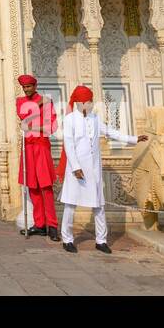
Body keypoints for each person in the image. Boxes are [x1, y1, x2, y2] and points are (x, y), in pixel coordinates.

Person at [57, 85, 146, 253]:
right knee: (70, 205)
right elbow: (68, 145)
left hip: (93, 170)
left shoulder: (95, 119)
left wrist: (134, 139)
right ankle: (67, 239)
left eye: (91, 101)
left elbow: (112, 133)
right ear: (81, 102)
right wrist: (75, 167)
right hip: (76, 170)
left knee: (99, 205)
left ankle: (101, 240)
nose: (91, 104)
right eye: (89, 101)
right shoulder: (69, 120)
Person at [15, 74, 60, 241]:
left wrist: (34, 125)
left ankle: (53, 225)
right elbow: (23, 117)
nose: (26, 90)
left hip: (41, 146)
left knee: (46, 187)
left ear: (35, 86)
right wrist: (39, 105)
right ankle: (40, 224)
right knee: (32, 186)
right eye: (24, 87)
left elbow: (51, 127)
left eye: (29, 87)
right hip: (28, 147)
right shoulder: (22, 101)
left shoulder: (47, 102)